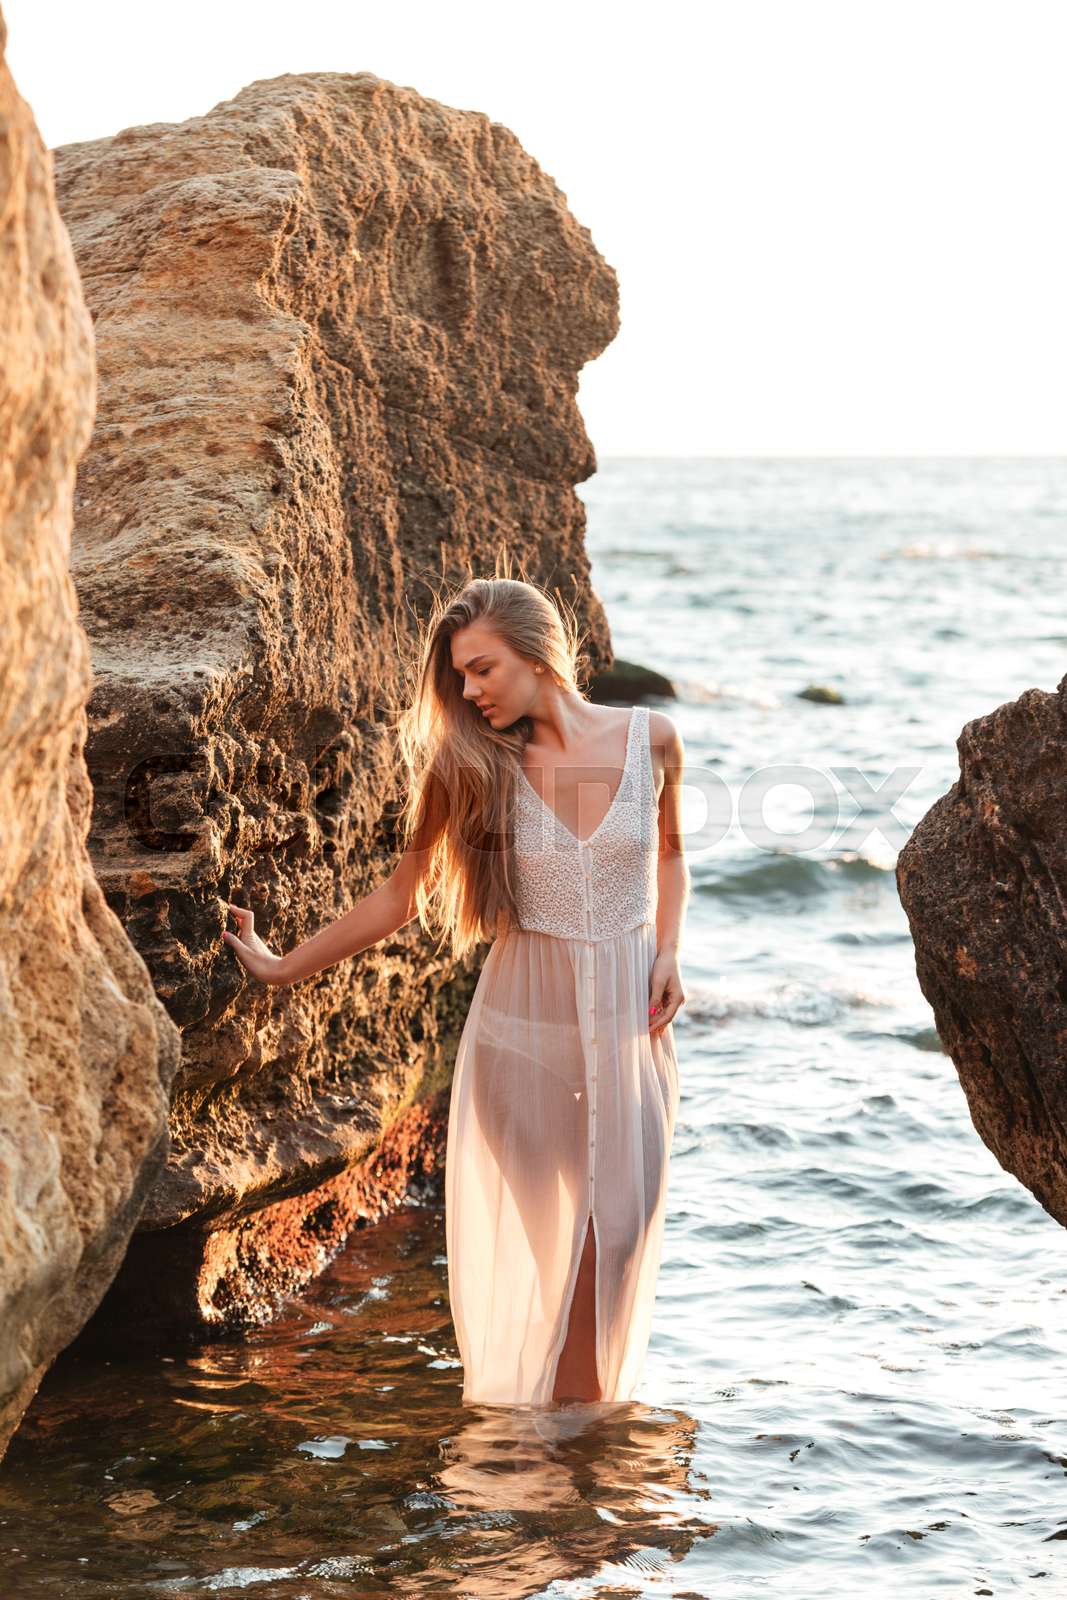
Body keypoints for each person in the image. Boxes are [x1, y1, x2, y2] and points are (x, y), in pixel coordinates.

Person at [224, 569, 689, 1409]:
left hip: (629, 1026)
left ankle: (563, 1468)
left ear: (538, 655)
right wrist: (282, 964)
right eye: (460, 676)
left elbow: (670, 855)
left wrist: (667, 954)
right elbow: (400, 899)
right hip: (525, 1034)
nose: (468, 691)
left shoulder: (650, 739)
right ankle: (566, 1482)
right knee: (556, 1253)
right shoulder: (469, 766)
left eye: (481, 669)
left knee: (616, 1236)